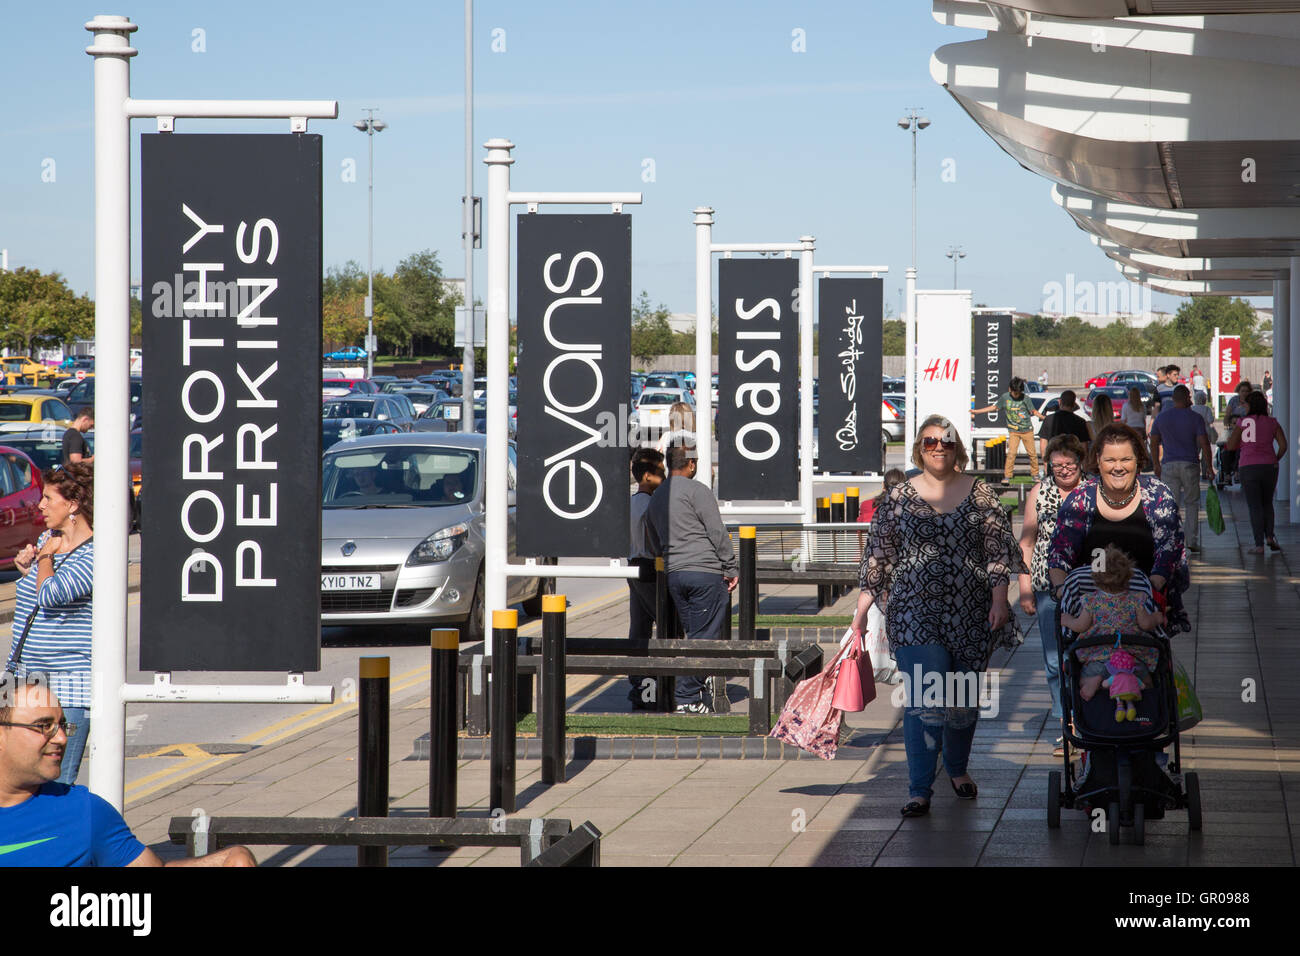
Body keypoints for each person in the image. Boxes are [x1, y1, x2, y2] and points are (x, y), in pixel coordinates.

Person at [850, 415, 1026, 818]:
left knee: (962, 699)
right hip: (915, 611)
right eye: (929, 442)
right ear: (919, 448)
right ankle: (919, 788)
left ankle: (958, 768)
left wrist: (1001, 600)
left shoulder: (981, 494)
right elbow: (877, 558)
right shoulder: (898, 497)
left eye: (945, 441)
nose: (938, 447)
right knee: (926, 697)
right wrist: (860, 614)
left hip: (971, 610)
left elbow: (999, 553)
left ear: (957, 447)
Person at [0, 680, 255, 866]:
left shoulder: (84, 811)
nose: (62, 738)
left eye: (63, 725)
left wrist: (227, 860)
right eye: (44, 726)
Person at [1047, 423, 1191, 637]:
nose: (1118, 467)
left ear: (1138, 460)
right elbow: (1059, 554)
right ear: (1097, 460)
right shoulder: (1080, 498)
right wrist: (1062, 590)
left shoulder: (1157, 495)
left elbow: (1170, 551)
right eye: (1110, 460)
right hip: (1089, 619)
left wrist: (1146, 592)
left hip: (1143, 614)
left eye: (1125, 459)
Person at [5, 464, 94, 786]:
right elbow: (35, 597)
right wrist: (29, 568)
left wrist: (44, 560)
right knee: (9, 775)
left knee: (55, 781)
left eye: (47, 498)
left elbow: (52, 595)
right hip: (21, 675)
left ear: (72, 505)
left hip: (68, 682)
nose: (40, 505)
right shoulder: (48, 540)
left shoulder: (97, 554)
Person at [645, 439, 738, 714]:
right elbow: (716, 532)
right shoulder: (698, 491)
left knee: (695, 633)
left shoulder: (657, 496)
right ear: (691, 463)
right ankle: (686, 697)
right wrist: (730, 566)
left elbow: (652, 541)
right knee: (704, 637)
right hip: (705, 573)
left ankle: (699, 687)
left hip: (675, 575)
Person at [1017, 434, 1087, 754]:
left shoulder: (1092, 491)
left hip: (1087, 586)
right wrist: (1025, 588)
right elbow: (1027, 542)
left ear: (1080, 462)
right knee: (1053, 659)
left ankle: (1088, 721)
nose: (1063, 469)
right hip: (1048, 588)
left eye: (1069, 463)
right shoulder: (1039, 493)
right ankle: (1065, 723)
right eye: (1057, 464)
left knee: (1087, 654)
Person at [1061, 546, 1162, 717]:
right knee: (1148, 680)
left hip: (1098, 657)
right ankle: (1145, 705)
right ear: (1128, 576)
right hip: (1131, 658)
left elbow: (1081, 626)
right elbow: (1145, 624)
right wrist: (1157, 617)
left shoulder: (1091, 600)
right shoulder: (1136, 599)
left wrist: (1067, 620)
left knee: (1079, 679)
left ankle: (1098, 682)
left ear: (1096, 577)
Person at [1149, 385, 1215, 554]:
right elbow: (1204, 443)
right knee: (1192, 503)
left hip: (1168, 465)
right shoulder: (1195, 418)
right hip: (1190, 465)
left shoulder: (1162, 418)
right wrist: (1209, 466)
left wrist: (1156, 463)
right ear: (1186, 398)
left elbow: (1154, 441)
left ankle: (1170, 540)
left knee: (1171, 504)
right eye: (1189, 398)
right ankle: (1191, 540)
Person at [1226, 389, 1288, 553]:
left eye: (1245, 403)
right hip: (1270, 466)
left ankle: (1258, 544)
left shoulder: (1242, 422)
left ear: (1251, 405)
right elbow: (1283, 445)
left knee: (1254, 506)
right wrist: (1274, 458)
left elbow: (1231, 446)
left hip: (1248, 466)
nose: (1243, 406)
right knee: (1267, 503)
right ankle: (1269, 536)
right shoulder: (1272, 422)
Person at [626, 447, 664, 708]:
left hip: (632, 567)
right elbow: (653, 540)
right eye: (661, 471)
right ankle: (658, 677)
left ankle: (638, 680)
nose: (665, 475)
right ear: (648, 476)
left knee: (639, 625)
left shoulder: (630, 503)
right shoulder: (649, 505)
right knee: (665, 620)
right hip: (650, 567)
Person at [971, 376, 1046, 481]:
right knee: (1011, 453)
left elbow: (1034, 411)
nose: (1016, 395)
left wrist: (1044, 418)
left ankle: (1035, 475)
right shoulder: (1005, 397)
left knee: (1032, 454)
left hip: (1027, 430)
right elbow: (994, 407)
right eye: (1014, 393)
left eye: (1018, 393)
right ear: (1010, 389)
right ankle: (1007, 476)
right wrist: (977, 412)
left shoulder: (1025, 398)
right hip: (1013, 431)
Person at [1039, 389, 1092, 455]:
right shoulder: (1080, 422)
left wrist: (1045, 462)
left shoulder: (1048, 419)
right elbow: (1084, 447)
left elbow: (1043, 443)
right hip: (1072, 461)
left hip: (1054, 460)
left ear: (1060, 402)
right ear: (1074, 404)